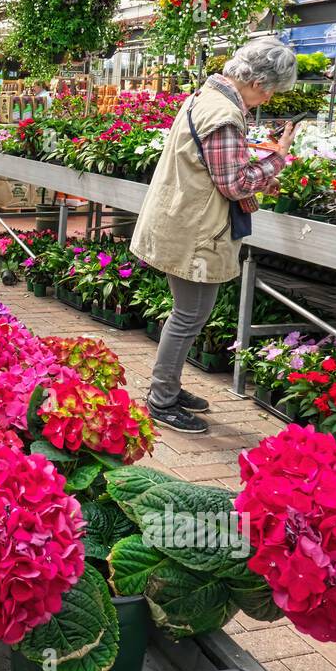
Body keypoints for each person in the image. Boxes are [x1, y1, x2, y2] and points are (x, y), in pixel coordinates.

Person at [130, 37, 298, 434]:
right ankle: (161, 398)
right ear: (259, 81)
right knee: (189, 315)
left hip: (185, 219)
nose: (270, 98)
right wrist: (278, 157)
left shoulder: (203, 97)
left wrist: (260, 175)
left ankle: (167, 386)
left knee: (190, 313)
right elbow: (235, 184)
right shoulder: (225, 114)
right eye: (272, 90)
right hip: (195, 228)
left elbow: (218, 171)